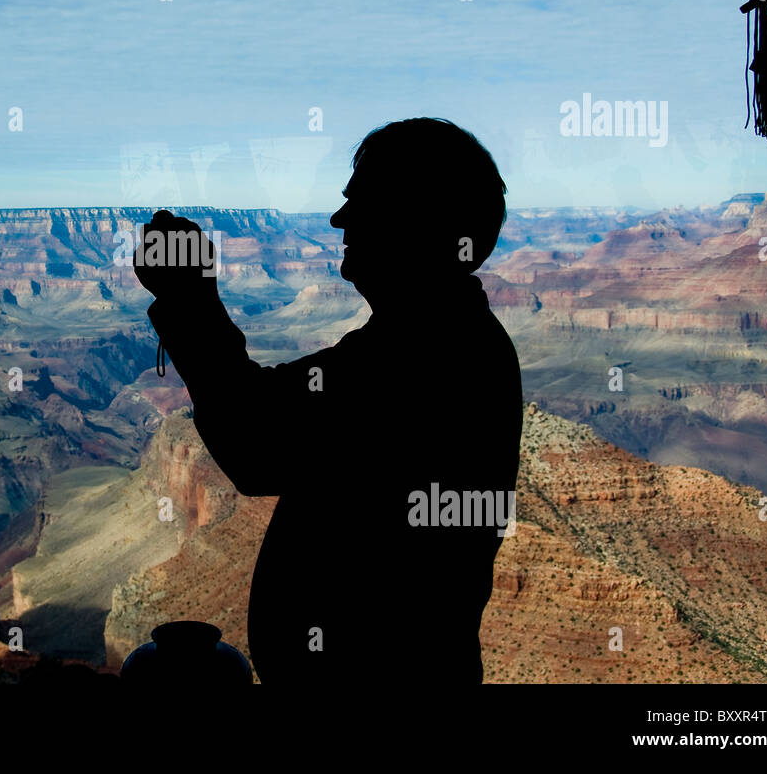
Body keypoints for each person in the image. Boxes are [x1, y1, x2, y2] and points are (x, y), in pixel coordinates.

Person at [134, 117, 522, 686]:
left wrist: (189, 298)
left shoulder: (425, 352)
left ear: (413, 217)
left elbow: (255, 443)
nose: (340, 219)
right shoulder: (436, 335)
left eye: (358, 200)